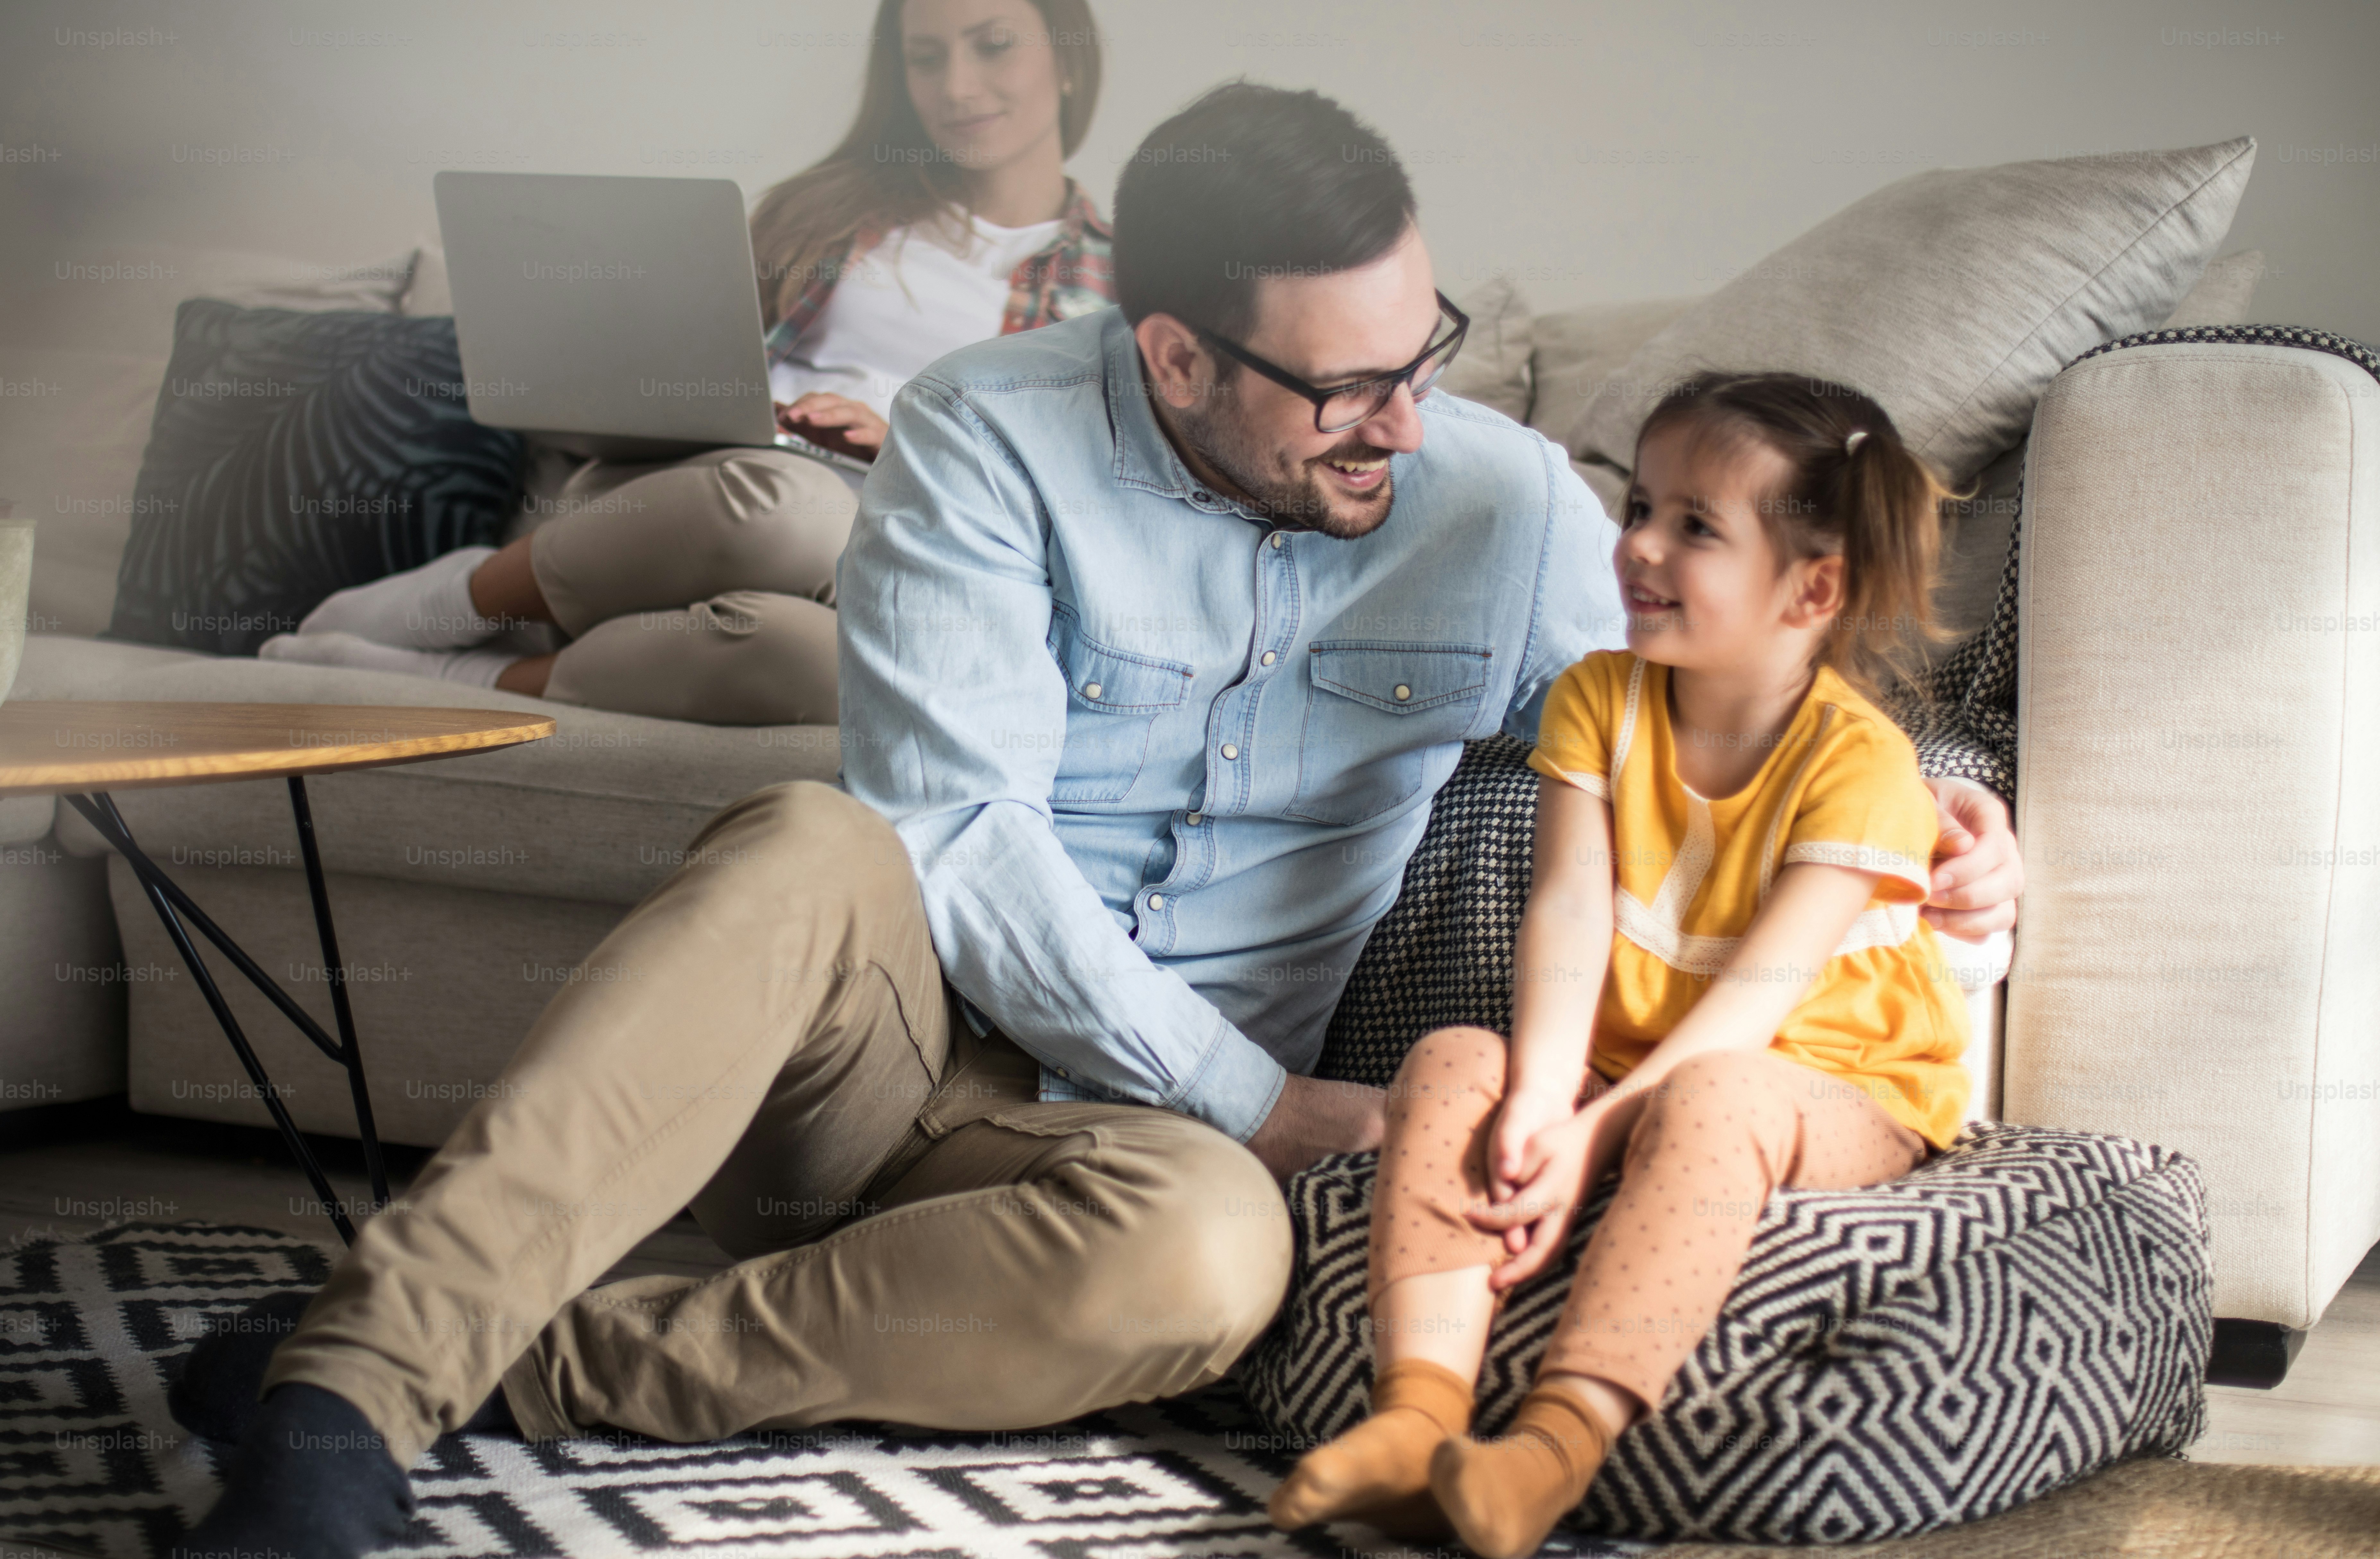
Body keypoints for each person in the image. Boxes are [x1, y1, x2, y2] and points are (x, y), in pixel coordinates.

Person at [168, 87, 2021, 1559]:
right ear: (1174, 357)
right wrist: (1265, 1096)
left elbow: (1759, 709)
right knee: (815, 838)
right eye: (1341, 386)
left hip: (1123, 1154)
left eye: (1421, 351)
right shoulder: (987, 438)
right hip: (885, 1049)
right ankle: (350, 1393)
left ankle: (521, 1358)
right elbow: (956, 838)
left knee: (1216, 1259)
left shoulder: (1505, 508)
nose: (1402, 418)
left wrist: (1951, 812)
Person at [1269, 371, 1982, 1558]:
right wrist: (1545, 1101)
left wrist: (1592, 1148)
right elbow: (1565, 913)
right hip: (1628, 1056)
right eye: (1640, 505)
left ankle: (1556, 1445)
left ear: (1816, 586)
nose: (1638, 546)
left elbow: (1757, 1005)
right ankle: (1415, 1417)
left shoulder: (1866, 765)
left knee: (1712, 1094)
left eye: (1694, 527)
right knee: (1454, 1058)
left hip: (1828, 1081)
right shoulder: (1603, 696)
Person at [257, 0, 1113, 727]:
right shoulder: (833, 211)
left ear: (1068, 58)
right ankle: (443, 605)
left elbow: (1083, 513)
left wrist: (906, 448)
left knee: (827, 666)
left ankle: (450, 677)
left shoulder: (1120, 296)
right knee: (791, 510)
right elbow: (681, 346)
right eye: (925, 59)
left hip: (893, 546)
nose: (958, 87)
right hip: (694, 495)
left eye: (992, 45)